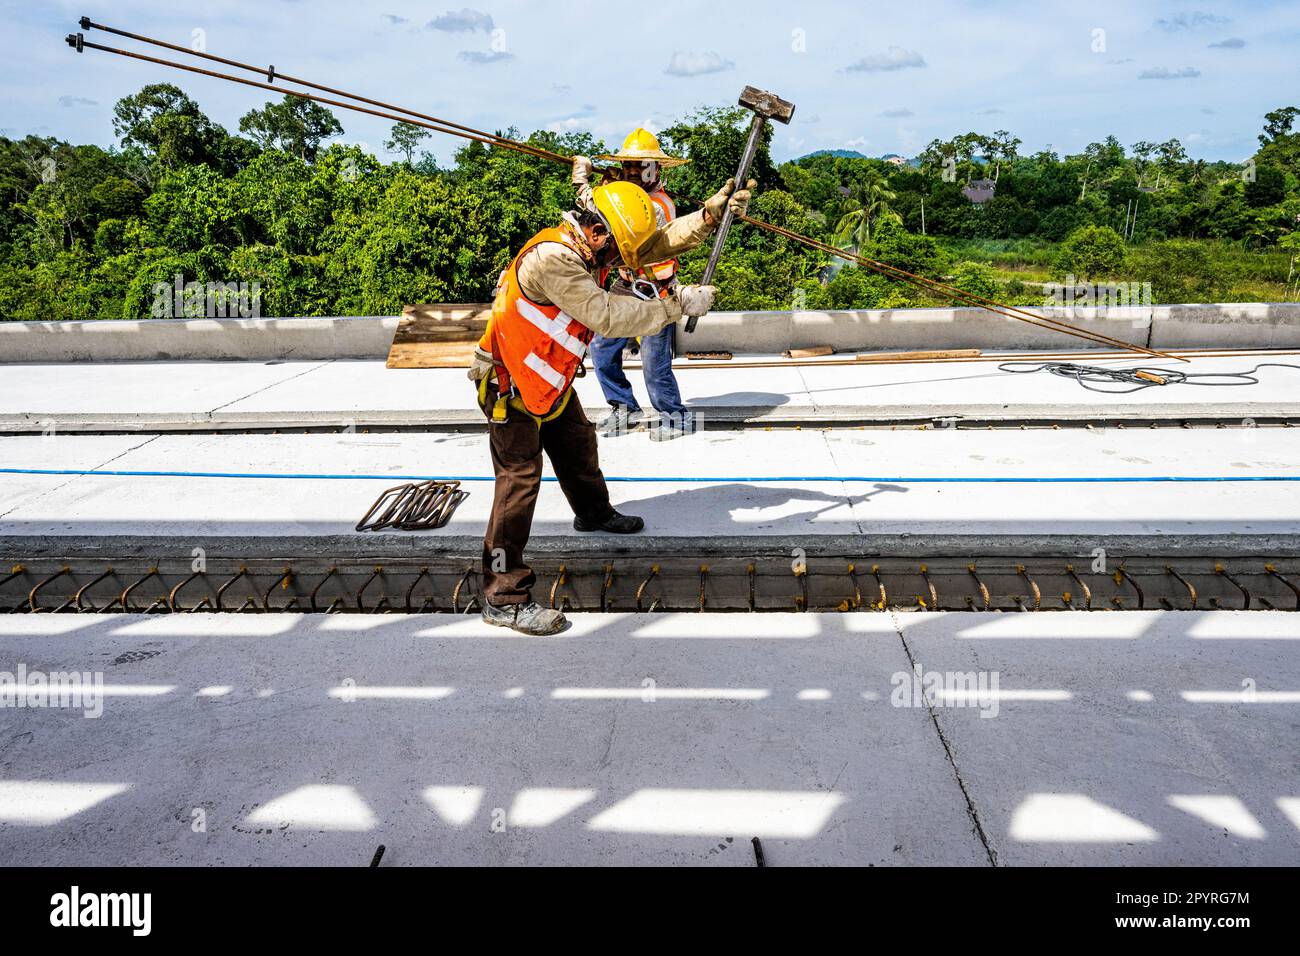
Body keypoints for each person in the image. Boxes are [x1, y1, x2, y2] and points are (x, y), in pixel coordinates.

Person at [469, 177, 753, 635]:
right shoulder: (554, 261)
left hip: (549, 379)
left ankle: (594, 513)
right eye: (619, 250)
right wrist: (675, 305)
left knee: (578, 444)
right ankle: (503, 595)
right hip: (511, 386)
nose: (625, 260)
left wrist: (708, 217)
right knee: (518, 485)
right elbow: (608, 315)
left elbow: (654, 244)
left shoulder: (593, 239)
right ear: (598, 235)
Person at [572, 129, 695, 441]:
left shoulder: (658, 205)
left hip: (656, 292)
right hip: (626, 286)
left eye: (638, 166)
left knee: (654, 362)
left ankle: (675, 416)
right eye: (627, 166)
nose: (631, 172)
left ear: (654, 170)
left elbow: (617, 222)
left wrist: (588, 188)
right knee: (601, 349)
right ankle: (624, 407)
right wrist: (606, 188)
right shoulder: (626, 195)